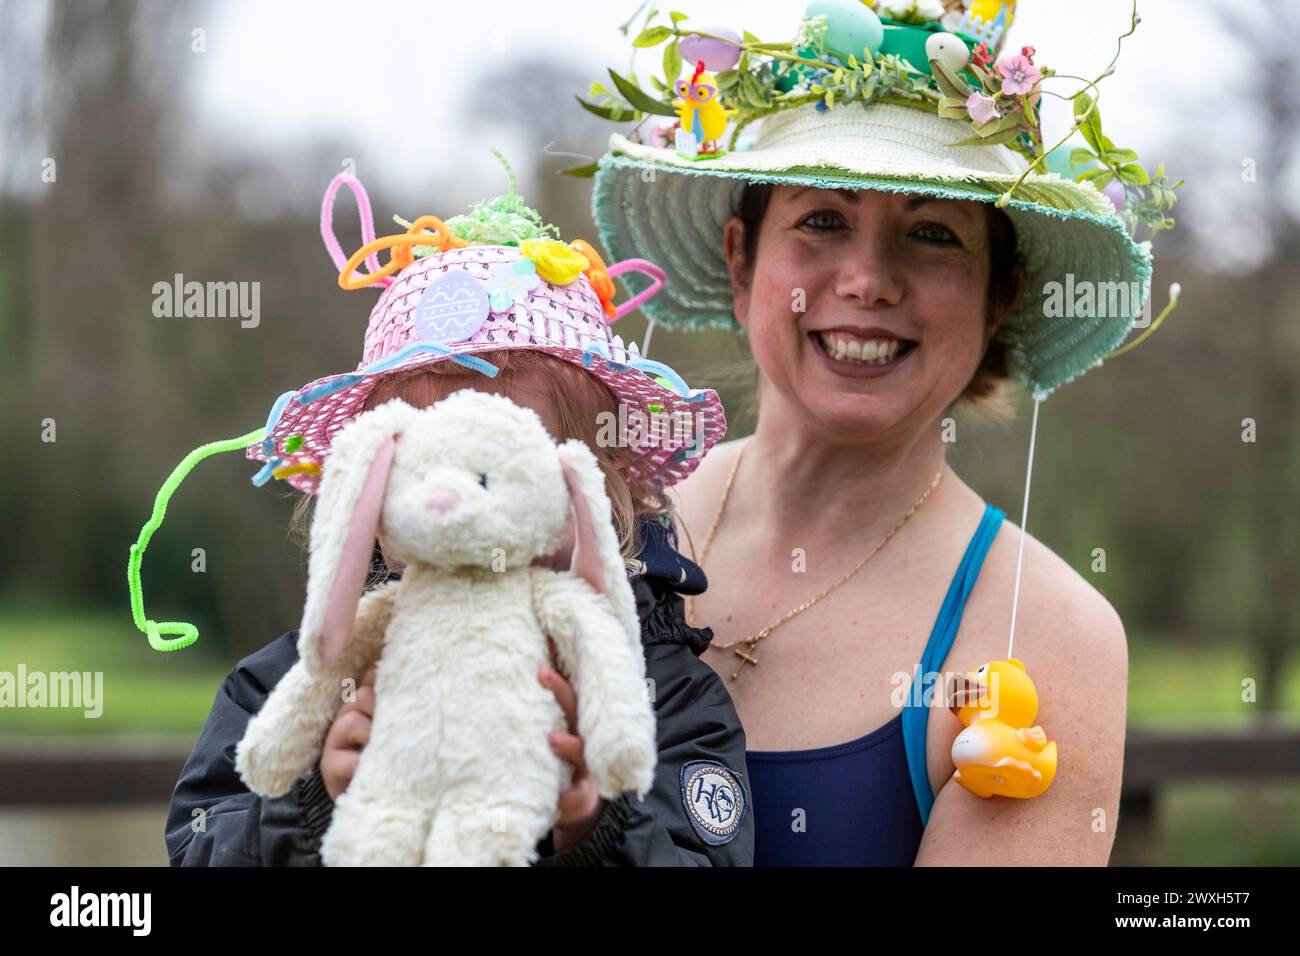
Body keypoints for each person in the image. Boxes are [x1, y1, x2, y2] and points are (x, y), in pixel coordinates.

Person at [582, 3, 1179, 864]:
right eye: (822, 219)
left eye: (933, 233)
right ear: (742, 259)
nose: (867, 280)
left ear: (998, 295)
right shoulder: (599, 521)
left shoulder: (1038, 636)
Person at [148, 158, 753, 865]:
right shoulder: (295, 679)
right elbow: (199, 843)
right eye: (416, 451)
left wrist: (591, 830)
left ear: (590, 480)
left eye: (496, 449)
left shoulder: (660, 695)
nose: (449, 493)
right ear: (367, 481)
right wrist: (312, 800)